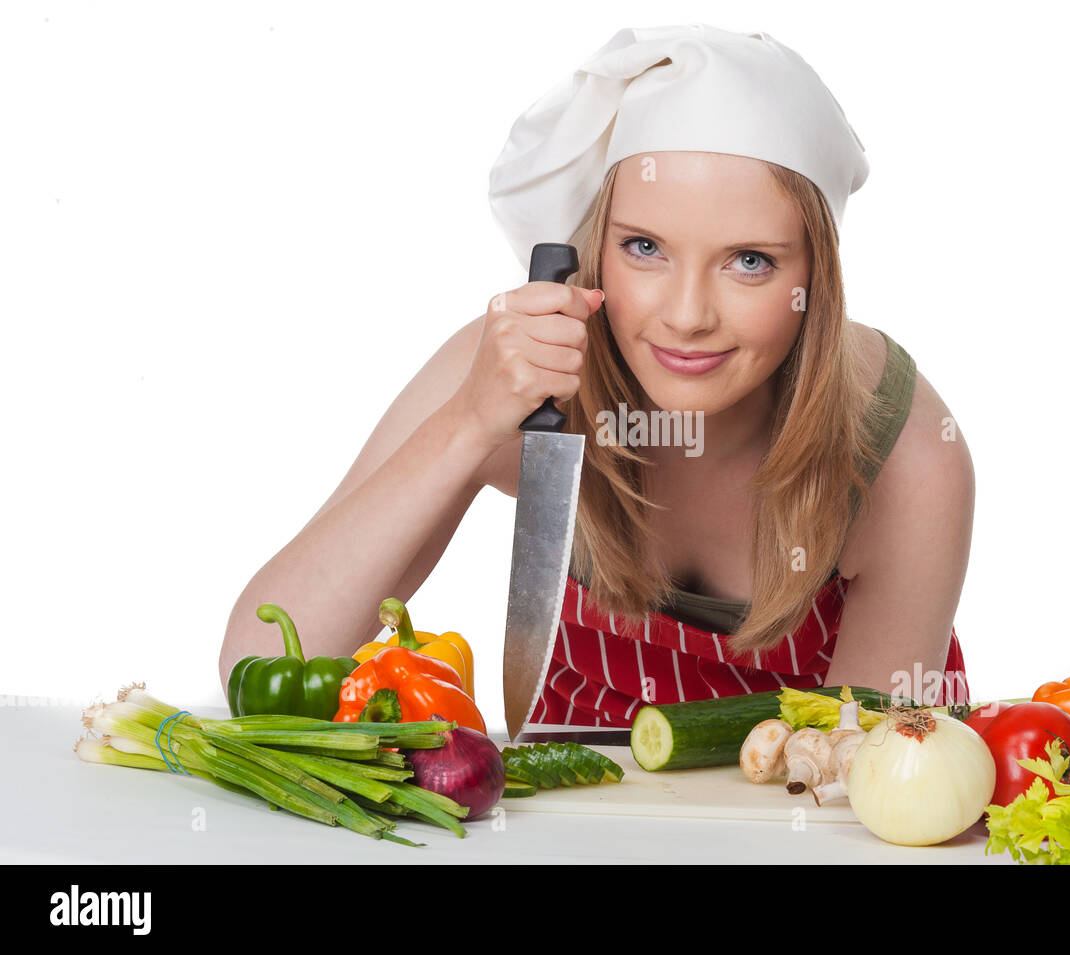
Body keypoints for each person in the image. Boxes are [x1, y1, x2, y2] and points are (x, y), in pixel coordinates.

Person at [218, 25, 976, 726]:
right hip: (579, 793)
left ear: (817, 277)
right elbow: (260, 664)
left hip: (801, 798)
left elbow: (866, 780)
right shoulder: (521, 369)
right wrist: (467, 425)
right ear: (594, 248)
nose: (686, 316)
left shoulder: (907, 458)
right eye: (645, 247)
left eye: (750, 261)